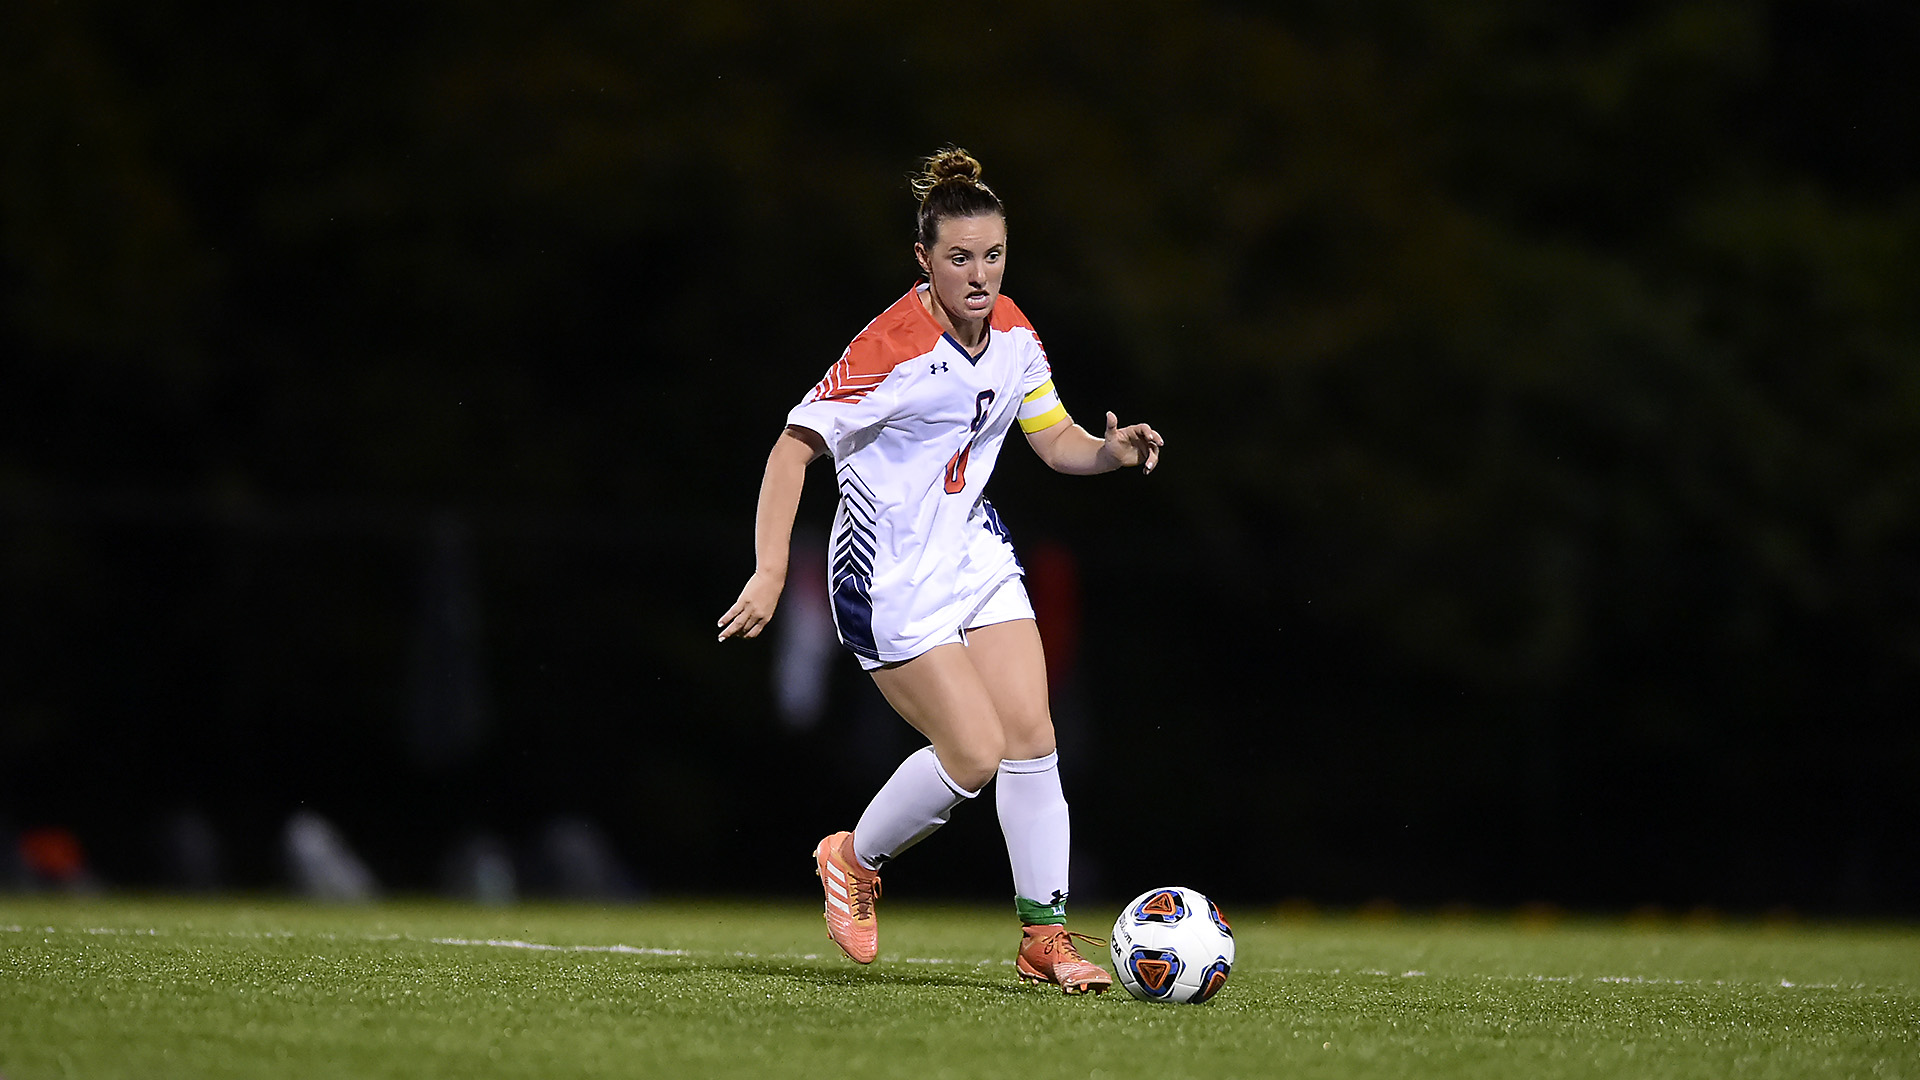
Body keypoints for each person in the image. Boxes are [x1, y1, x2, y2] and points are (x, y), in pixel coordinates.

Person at [716, 147, 1163, 994]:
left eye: (993, 255)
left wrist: (1109, 451)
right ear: (923, 260)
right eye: (959, 257)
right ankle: (852, 857)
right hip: (887, 576)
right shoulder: (889, 347)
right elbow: (792, 448)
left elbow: (1054, 440)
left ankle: (1045, 940)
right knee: (974, 752)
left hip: (972, 552)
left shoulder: (1016, 335)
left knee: (1033, 734)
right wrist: (770, 569)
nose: (980, 275)